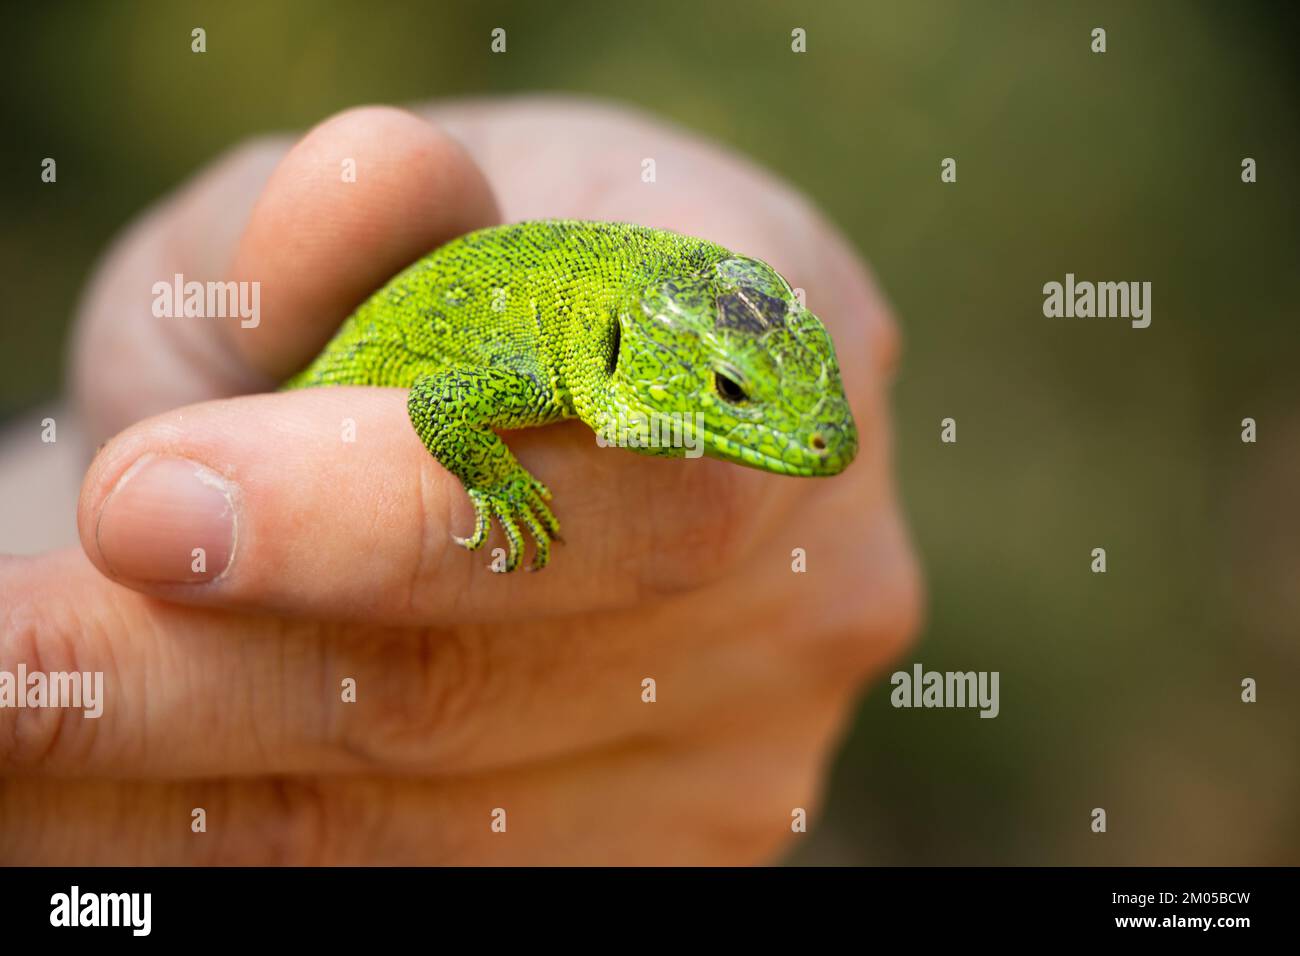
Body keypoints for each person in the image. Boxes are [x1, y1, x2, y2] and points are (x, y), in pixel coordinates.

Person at [0, 97, 921, 864]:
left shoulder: (607, 334)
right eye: (729, 390)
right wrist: (504, 488)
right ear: (620, 353)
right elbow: (442, 406)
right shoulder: (535, 372)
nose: (820, 437)